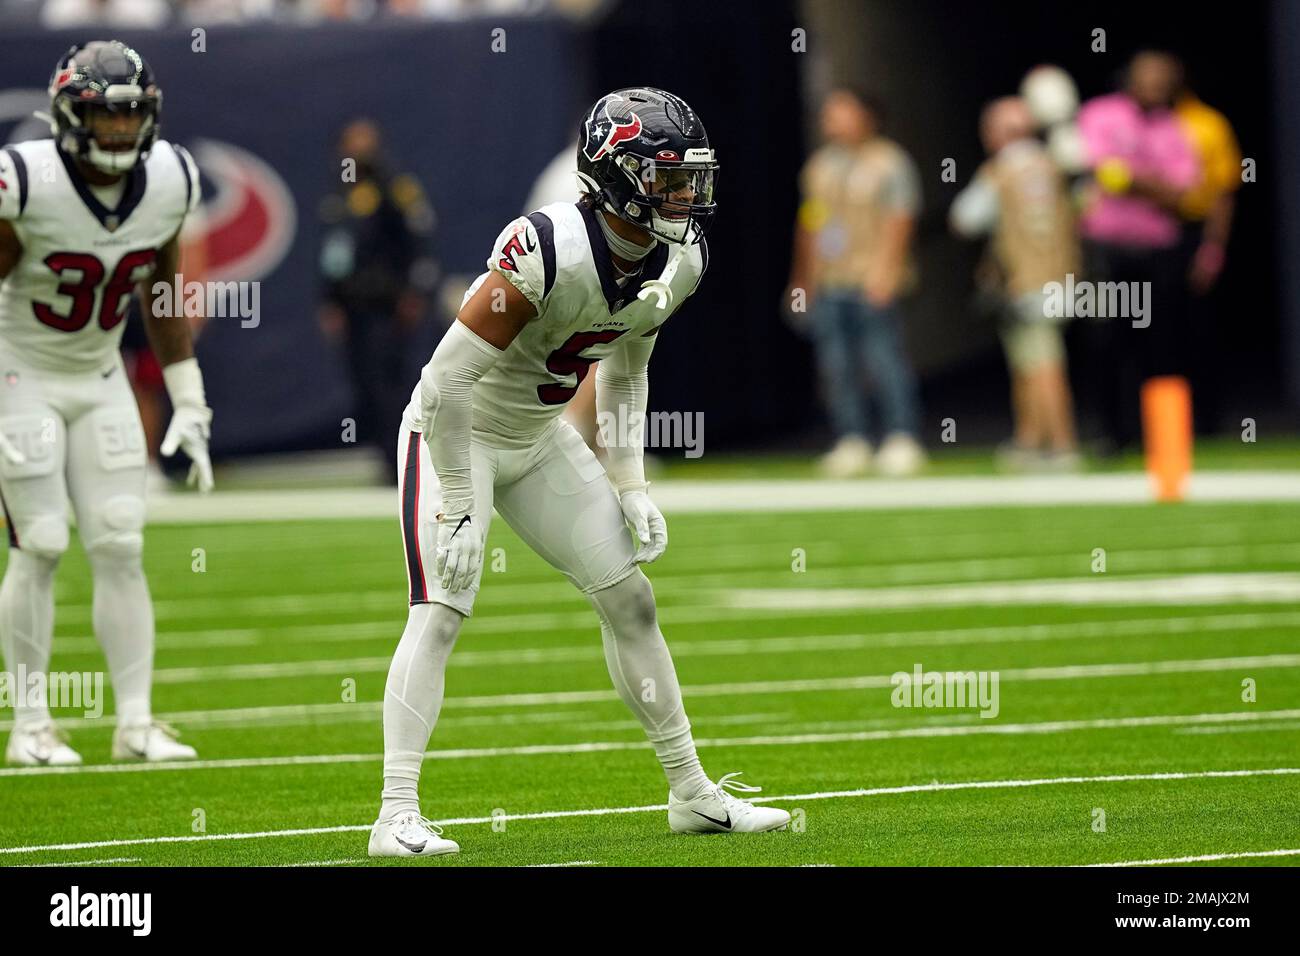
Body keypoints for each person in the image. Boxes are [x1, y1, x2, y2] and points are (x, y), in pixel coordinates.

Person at [368, 88, 791, 858]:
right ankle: (395, 813)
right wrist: (461, 501)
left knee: (631, 599)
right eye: (666, 179)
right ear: (615, 175)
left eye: (688, 178)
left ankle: (691, 792)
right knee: (440, 611)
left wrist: (628, 481)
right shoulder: (544, 246)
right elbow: (442, 385)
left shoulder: (681, 256)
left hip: (537, 435)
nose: (684, 195)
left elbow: (628, 368)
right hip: (454, 438)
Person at [0, 40, 213, 765]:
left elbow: (160, 292)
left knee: (121, 542)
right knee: (43, 542)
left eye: (131, 117)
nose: (120, 131)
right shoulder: (24, 180)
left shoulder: (170, 180)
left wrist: (188, 396)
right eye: (104, 116)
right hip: (19, 368)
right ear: (69, 114)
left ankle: (136, 722)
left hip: (98, 374)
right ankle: (30, 725)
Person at [788, 87, 925, 477]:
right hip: (832, 279)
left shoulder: (890, 163)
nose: (830, 119)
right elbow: (810, 224)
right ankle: (852, 438)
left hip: (871, 277)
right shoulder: (820, 166)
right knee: (836, 363)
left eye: (840, 112)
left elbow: (900, 220)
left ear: (865, 116)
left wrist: (888, 271)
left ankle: (901, 435)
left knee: (883, 357)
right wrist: (802, 280)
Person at [1075, 50, 1200, 452]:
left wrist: (1135, 180)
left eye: (1164, 78)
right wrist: (1153, 186)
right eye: (1149, 77)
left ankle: (1165, 438)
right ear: (1129, 78)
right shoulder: (1101, 113)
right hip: (1108, 248)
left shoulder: (1176, 126)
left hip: (1157, 250)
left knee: (1161, 342)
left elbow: (1184, 191)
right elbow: (1105, 172)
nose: (1156, 86)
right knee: (1109, 340)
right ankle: (1115, 434)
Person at [950, 97, 1081, 470]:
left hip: (1028, 282)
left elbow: (965, 219)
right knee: (1027, 362)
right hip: (1061, 277)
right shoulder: (1056, 162)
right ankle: (1030, 439)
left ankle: (1061, 443)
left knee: (1042, 364)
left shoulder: (1002, 170)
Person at [318, 118, 437, 484]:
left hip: (385, 304)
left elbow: (418, 242)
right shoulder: (341, 192)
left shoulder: (395, 189)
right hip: (353, 305)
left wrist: (414, 293)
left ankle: (400, 458)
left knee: (390, 382)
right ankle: (386, 455)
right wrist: (329, 299)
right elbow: (330, 251)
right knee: (364, 382)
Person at [1174, 67, 1243, 435]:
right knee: (1149, 329)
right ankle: (1153, 425)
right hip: (1147, 237)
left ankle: (1208, 421)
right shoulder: (1130, 122)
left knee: (1200, 328)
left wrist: (1212, 247)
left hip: (1194, 231)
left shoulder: (1206, 123)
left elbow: (1223, 191)